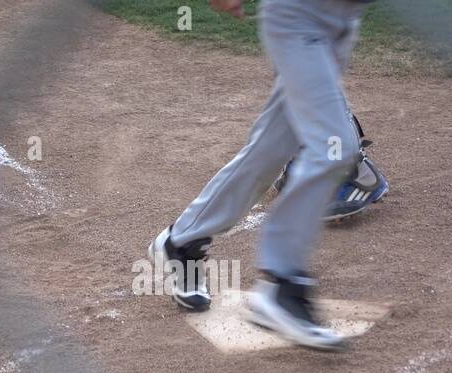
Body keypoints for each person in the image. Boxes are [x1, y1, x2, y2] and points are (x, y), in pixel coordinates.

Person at [149, 0, 379, 350]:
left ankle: (182, 241)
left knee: (270, 150)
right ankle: (282, 283)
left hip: (340, 24)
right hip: (299, 19)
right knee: (337, 148)